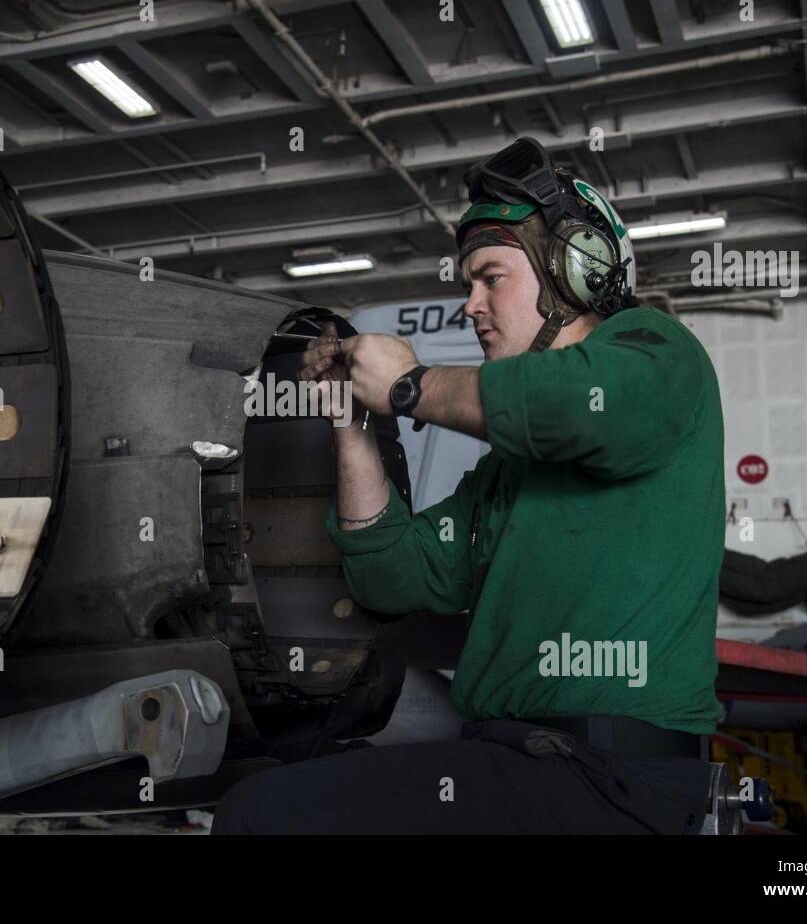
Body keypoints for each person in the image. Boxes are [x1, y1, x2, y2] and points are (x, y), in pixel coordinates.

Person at [212, 138, 724, 834]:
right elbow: (393, 575)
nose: (470, 306)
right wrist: (353, 424)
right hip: (518, 763)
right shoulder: (505, 476)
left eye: (490, 278)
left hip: (605, 780)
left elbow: (571, 405)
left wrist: (408, 385)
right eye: (466, 285)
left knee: (258, 817)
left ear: (575, 269)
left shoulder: (660, 355)